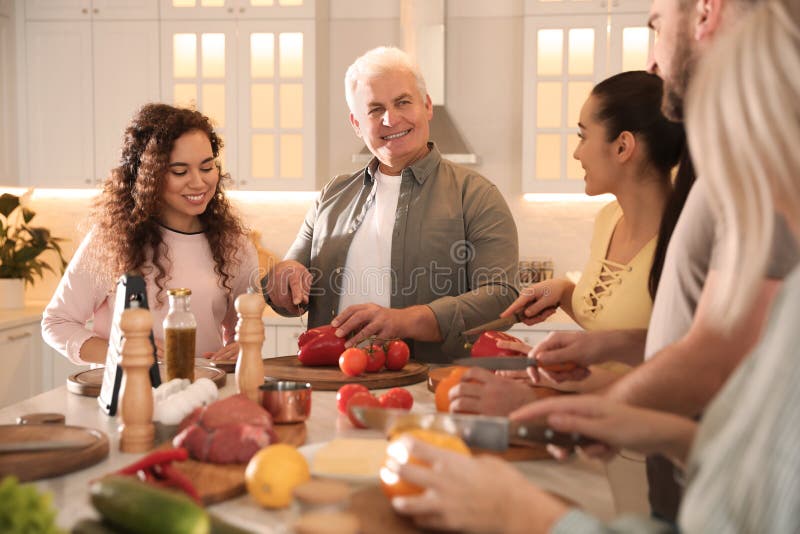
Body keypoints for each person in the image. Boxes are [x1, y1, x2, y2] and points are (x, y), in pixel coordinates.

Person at [390, 1, 800, 530]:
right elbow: (750, 465)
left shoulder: (747, 178)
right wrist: (613, 409)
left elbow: (715, 353)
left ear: (707, 12)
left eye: (654, 26)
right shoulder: (706, 186)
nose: (652, 63)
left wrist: (526, 505)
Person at [262, 46, 519, 363]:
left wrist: (406, 320)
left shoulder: (476, 195)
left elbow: (502, 297)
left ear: (426, 106)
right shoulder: (332, 196)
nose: (390, 118)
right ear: (357, 123)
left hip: (428, 390)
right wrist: (284, 279)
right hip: (332, 382)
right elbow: (287, 289)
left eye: (403, 102)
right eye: (374, 109)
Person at [449, 71, 684, 416]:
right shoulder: (608, 220)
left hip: (644, 443)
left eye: (582, 136)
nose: (576, 153)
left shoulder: (682, 242)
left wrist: (550, 383)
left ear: (622, 147)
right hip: (589, 430)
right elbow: (610, 324)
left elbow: (679, 377)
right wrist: (563, 292)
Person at [42, 104, 259, 365]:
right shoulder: (113, 240)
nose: (199, 182)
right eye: (180, 171)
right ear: (149, 176)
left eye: (206, 167)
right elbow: (57, 323)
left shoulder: (234, 245)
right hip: (128, 393)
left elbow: (242, 330)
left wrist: (241, 347)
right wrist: (121, 352)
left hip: (205, 390)